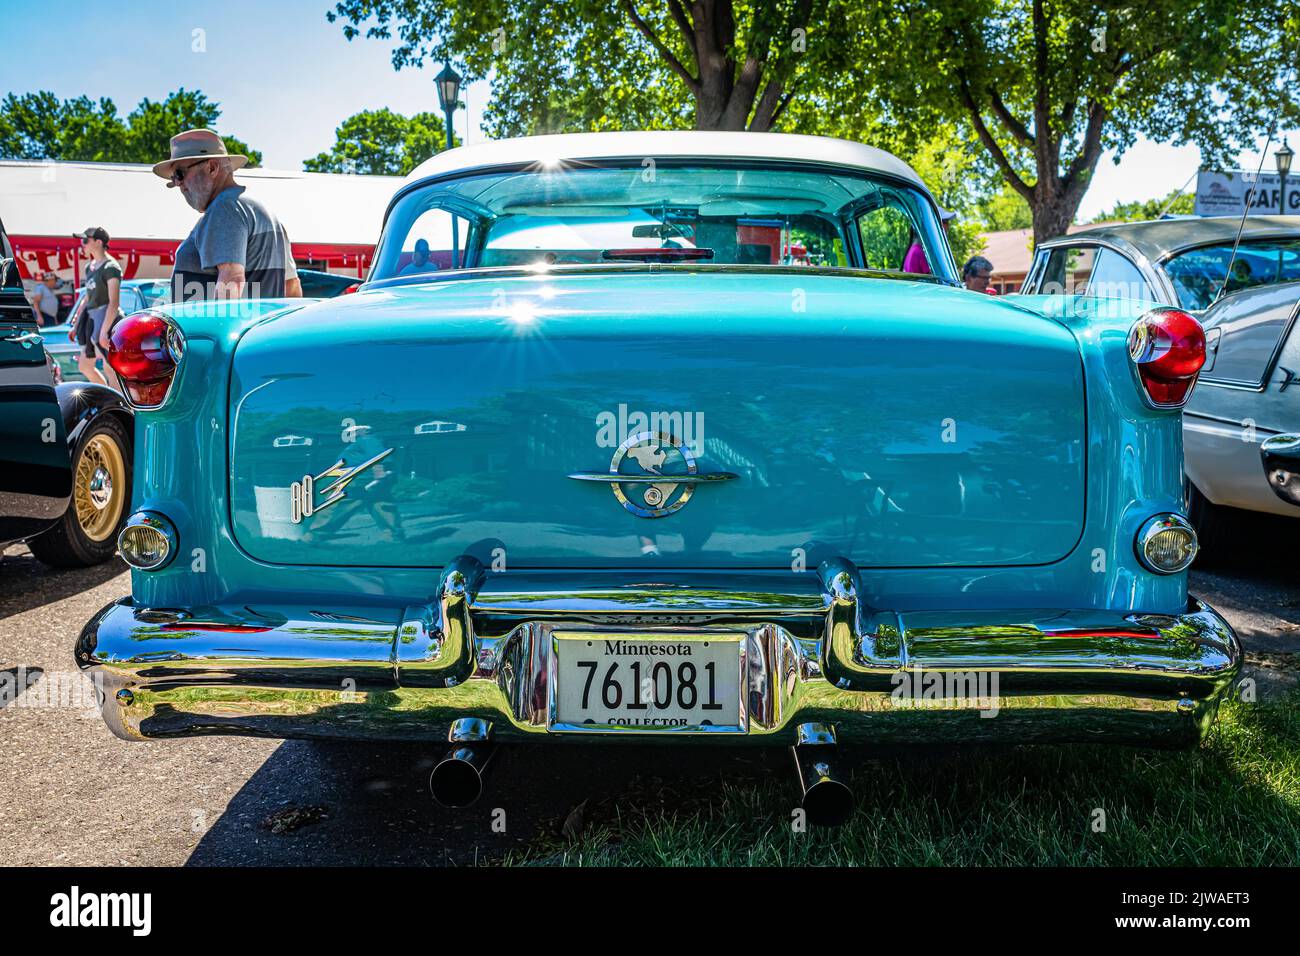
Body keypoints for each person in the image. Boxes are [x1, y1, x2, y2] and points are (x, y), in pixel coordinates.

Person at [153, 128, 301, 302]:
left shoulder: (224, 208)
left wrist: (218, 328)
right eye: (174, 178)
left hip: (207, 328)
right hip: (257, 327)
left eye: (180, 174)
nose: (178, 184)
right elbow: (292, 288)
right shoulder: (264, 212)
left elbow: (232, 281)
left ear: (212, 168)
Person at [65, 227, 120, 386]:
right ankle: (107, 397)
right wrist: (75, 325)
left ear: (98, 242)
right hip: (92, 318)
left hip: (107, 319)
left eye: (85, 240)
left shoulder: (111, 267)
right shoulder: (89, 267)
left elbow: (113, 302)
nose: (82, 244)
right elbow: (87, 298)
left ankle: (119, 406)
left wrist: (104, 332)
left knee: (109, 368)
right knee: (85, 366)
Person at [902, 208, 956, 275]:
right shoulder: (922, 253)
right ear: (933, 224)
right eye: (945, 222)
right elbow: (938, 279)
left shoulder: (917, 249)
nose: (948, 226)